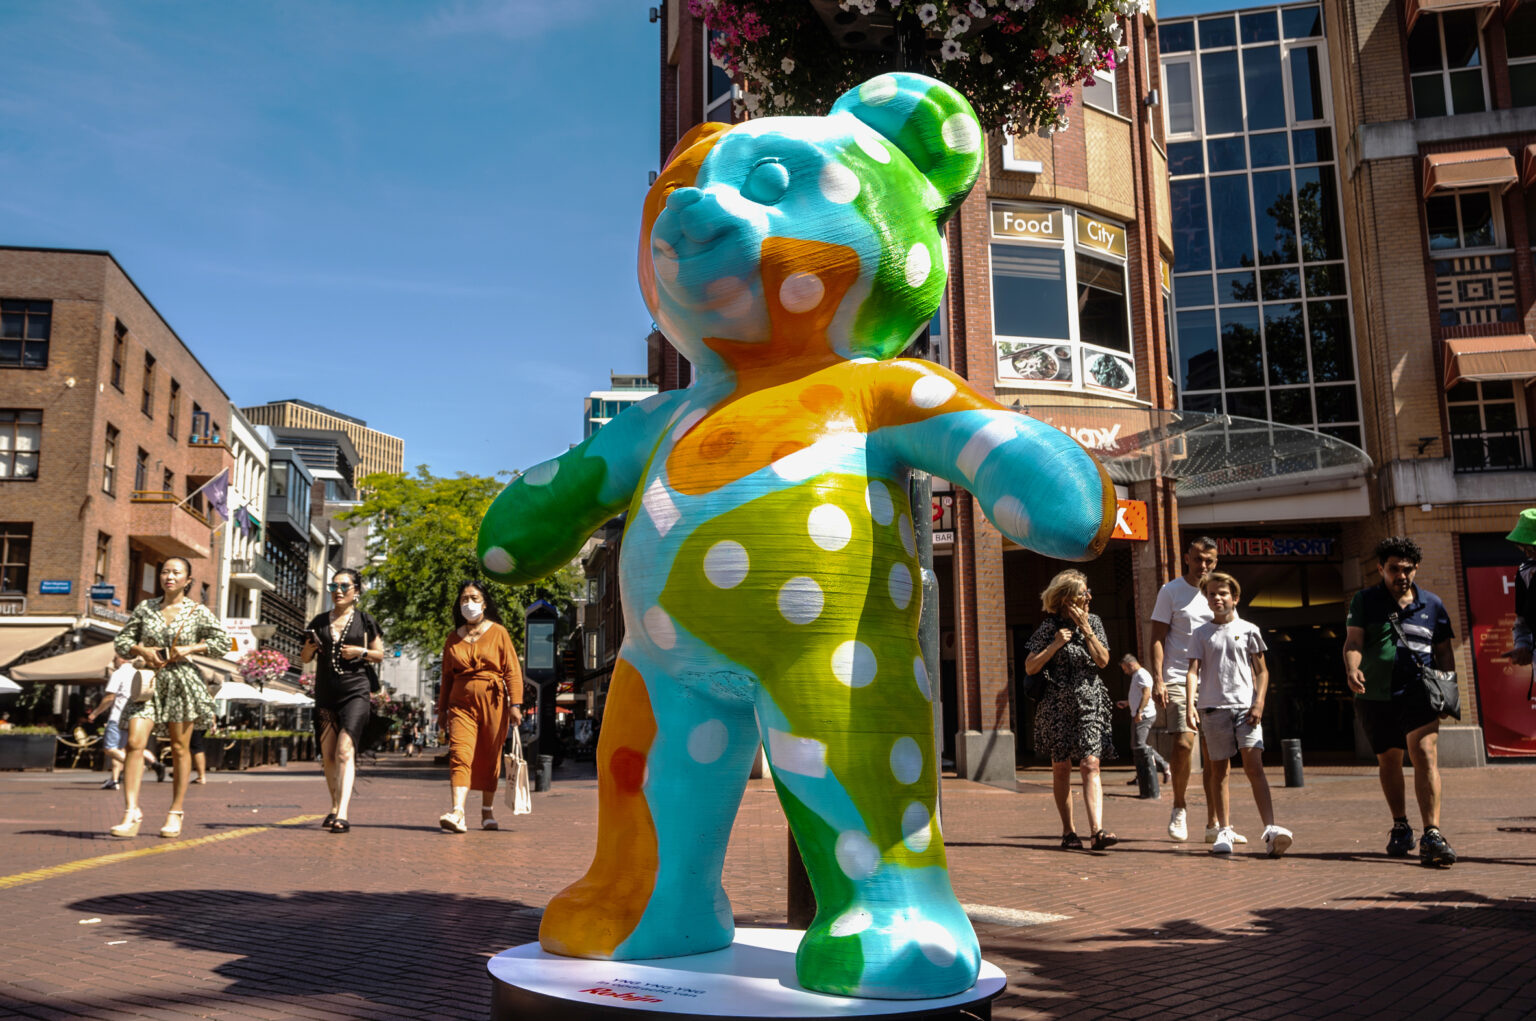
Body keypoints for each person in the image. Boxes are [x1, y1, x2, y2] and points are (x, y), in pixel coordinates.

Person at [1343, 536, 1458, 868]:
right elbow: (1353, 641)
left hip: (1418, 692)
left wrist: (1448, 689)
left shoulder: (1433, 604)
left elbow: (1443, 651)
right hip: (1375, 694)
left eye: (1407, 569)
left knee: (1424, 755)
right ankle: (1401, 825)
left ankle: (1432, 834)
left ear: (1415, 568)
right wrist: (1352, 670)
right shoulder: (1365, 600)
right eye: (1394, 569)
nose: (1401, 575)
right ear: (1381, 568)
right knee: (1390, 761)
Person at [109, 558, 230, 838]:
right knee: (134, 742)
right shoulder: (145, 608)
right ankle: (131, 812)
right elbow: (122, 642)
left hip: (181, 683)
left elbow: (223, 642)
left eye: (176, 573)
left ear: (188, 580)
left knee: (179, 747)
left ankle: (175, 811)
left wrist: (191, 648)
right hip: (148, 682)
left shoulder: (197, 612)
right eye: (165, 571)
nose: (169, 577)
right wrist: (142, 650)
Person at [1185, 573, 1293, 857]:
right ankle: (1224, 829)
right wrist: (1189, 707)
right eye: (1211, 594)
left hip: (1245, 709)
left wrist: (1258, 703)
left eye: (1222, 593)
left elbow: (1262, 671)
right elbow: (1193, 672)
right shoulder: (1200, 633)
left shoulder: (1249, 629)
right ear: (1206, 599)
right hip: (1212, 709)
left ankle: (1271, 828)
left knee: (1254, 765)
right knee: (1219, 771)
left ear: (1235, 597)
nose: (1217, 598)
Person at [1150, 537, 1243, 846]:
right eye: (1199, 559)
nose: (1204, 565)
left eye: (1210, 561)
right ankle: (1179, 806)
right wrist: (1159, 679)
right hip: (1178, 676)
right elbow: (1158, 637)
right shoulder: (1171, 591)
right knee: (1183, 741)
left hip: (1215, 680)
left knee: (1215, 754)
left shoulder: (1220, 592)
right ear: (1187, 558)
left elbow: (1235, 635)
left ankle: (1214, 822)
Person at [1024, 570, 1117, 851]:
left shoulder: (1095, 623)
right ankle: (1068, 832)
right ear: (1066, 599)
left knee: (1090, 764)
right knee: (1062, 767)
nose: (1088, 597)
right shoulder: (1048, 628)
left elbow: (1103, 661)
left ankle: (1097, 831)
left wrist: (1086, 631)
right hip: (1056, 706)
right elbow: (1030, 666)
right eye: (1082, 593)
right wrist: (1055, 644)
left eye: (1088, 592)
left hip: (1090, 702)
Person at [301, 568, 386, 834]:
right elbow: (304, 659)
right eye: (333, 586)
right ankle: (335, 804)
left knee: (344, 751)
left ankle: (343, 813)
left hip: (355, 692)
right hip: (326, 693)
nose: (338, 591)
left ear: (356, 591)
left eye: (344, 586)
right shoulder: (318, 622)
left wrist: (360, 652)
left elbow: (380, 654)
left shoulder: (365, 621)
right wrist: (309, 649)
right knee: (327, 756)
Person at [436, 581, 522, 833]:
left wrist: (515, 704)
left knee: (489, 754)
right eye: (464, 599)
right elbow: (446, 677)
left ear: (484, 603)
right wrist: (442, 710)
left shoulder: (499, 632)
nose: (469, 603)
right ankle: (458, 812)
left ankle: (487, 811)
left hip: (493, 701)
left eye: (474, 598)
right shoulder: (453, 638)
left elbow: (512, 671)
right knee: (460, 754)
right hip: (460, 703)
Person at [86, 654, 164, 790]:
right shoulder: (141, 673)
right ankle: (114, 780)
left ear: (121, 658)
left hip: (117, 717)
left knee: (110, 749)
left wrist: (95, 713)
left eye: (114, 658)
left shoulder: (119, 673)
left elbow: (110, 697)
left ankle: (137, 765)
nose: (113, 661)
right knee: (123, 749)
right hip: (135, 718)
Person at [1116, 654, 1170, 789]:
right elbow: (1139, 695)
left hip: (1144, 715)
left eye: (1125, 669)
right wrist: (1128, 703)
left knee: (1139, 745)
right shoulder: (1137, 675)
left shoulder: (1141, 674)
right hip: (1138, 714)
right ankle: (1141, 775)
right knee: (1136, 745)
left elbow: (1147, 694)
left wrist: (1139, 712)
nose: (1125, 672)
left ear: (1131, 665)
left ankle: (1163, 765)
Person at [1505, 509, 1536, 697]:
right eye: (1525, 548)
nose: (1528, 553)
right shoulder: (1526, 574)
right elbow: (1522, 622)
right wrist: (1522, 646)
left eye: (1531, 547)